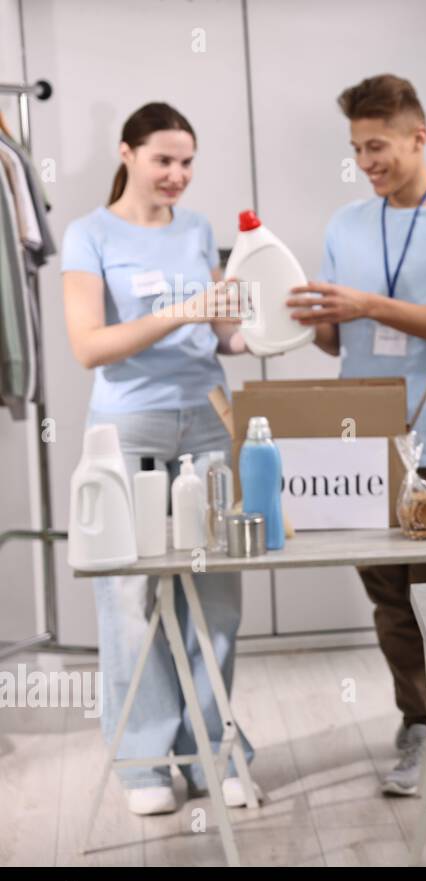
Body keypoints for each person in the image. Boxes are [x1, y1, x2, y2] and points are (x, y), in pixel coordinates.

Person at [288, 74, 426, 796]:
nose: (367, 162)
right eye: (356, 149)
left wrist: (368, 303)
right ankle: (418, 720)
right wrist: (314, 318)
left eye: (377, 145)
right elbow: (336, 343)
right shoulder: (348, 223)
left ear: (419, 137)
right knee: (388, 600)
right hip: (358, 445)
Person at [62, 102, 254, 815]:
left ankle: (212, 750)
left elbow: (223, 336)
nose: (178, 175)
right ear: (128, 153)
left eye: (187, 162)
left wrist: (256, 325)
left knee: (215, 599)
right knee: (130, 604)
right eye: (163, 160)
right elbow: (89, 346)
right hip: (128, 430)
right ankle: (146, 762)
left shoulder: (199, 229)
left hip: (207, 422)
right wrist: (182, 312)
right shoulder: (89, 235)